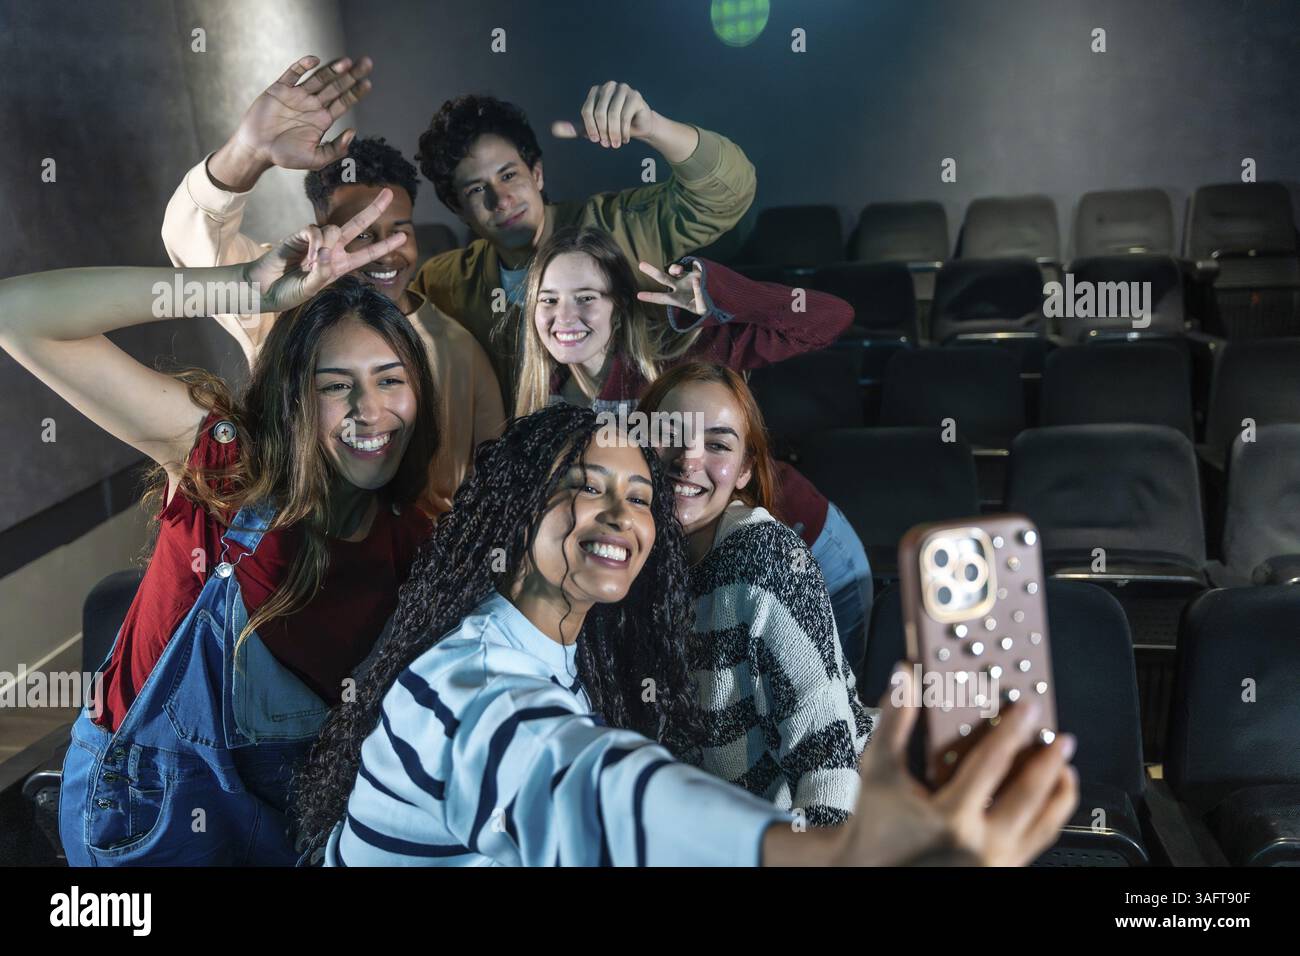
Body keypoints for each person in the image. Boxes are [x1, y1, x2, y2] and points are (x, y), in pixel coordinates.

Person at [293, 404, 1079, 866]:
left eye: (640, 497)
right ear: (514, 511)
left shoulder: (578, 654)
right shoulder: (460, 684)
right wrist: (836, 856)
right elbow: (587, 788)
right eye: (585, 489)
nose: (620, 515)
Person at [0, 190, 439, 865]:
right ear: (294, 397)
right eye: (335, 385)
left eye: (389, 380)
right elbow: (18, 315)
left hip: (286, 828)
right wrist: (236, 287)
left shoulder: (415, 539)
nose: (369, 410)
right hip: (148, 820)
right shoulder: (230, 467)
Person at [514, 226, 874, 671]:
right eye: (548, 299)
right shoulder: (546, 398)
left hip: (807, 550)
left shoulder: (680, 353)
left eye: (586, 297)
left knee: (831, 698)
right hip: (696, 574)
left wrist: (721, 294)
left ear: (620, 304)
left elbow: (830, 317)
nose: (564, 316)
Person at [162, 54, 502, 514]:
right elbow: (192, 244)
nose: (384, 252)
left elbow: (495, 472)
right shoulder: (282, 303)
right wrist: (247, 152)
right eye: (360, 233)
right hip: (297, 545)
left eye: (399, 231)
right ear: (320, 229)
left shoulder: (457, 346)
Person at [412, 83, 756, 406]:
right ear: (458, 209)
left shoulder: (618, 226)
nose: (500, 199)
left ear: (536, 174)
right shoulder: (448, 282)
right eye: (476, 189)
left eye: (509, 175)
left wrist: (654, 128)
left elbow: (725, 196)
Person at [639, 363, 869, 825]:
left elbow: (829, 766)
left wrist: (808, 854)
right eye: (670, 434)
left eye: (717, 445)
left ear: (745, 469)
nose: (688, 460)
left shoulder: (765, 557)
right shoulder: (635, 555)